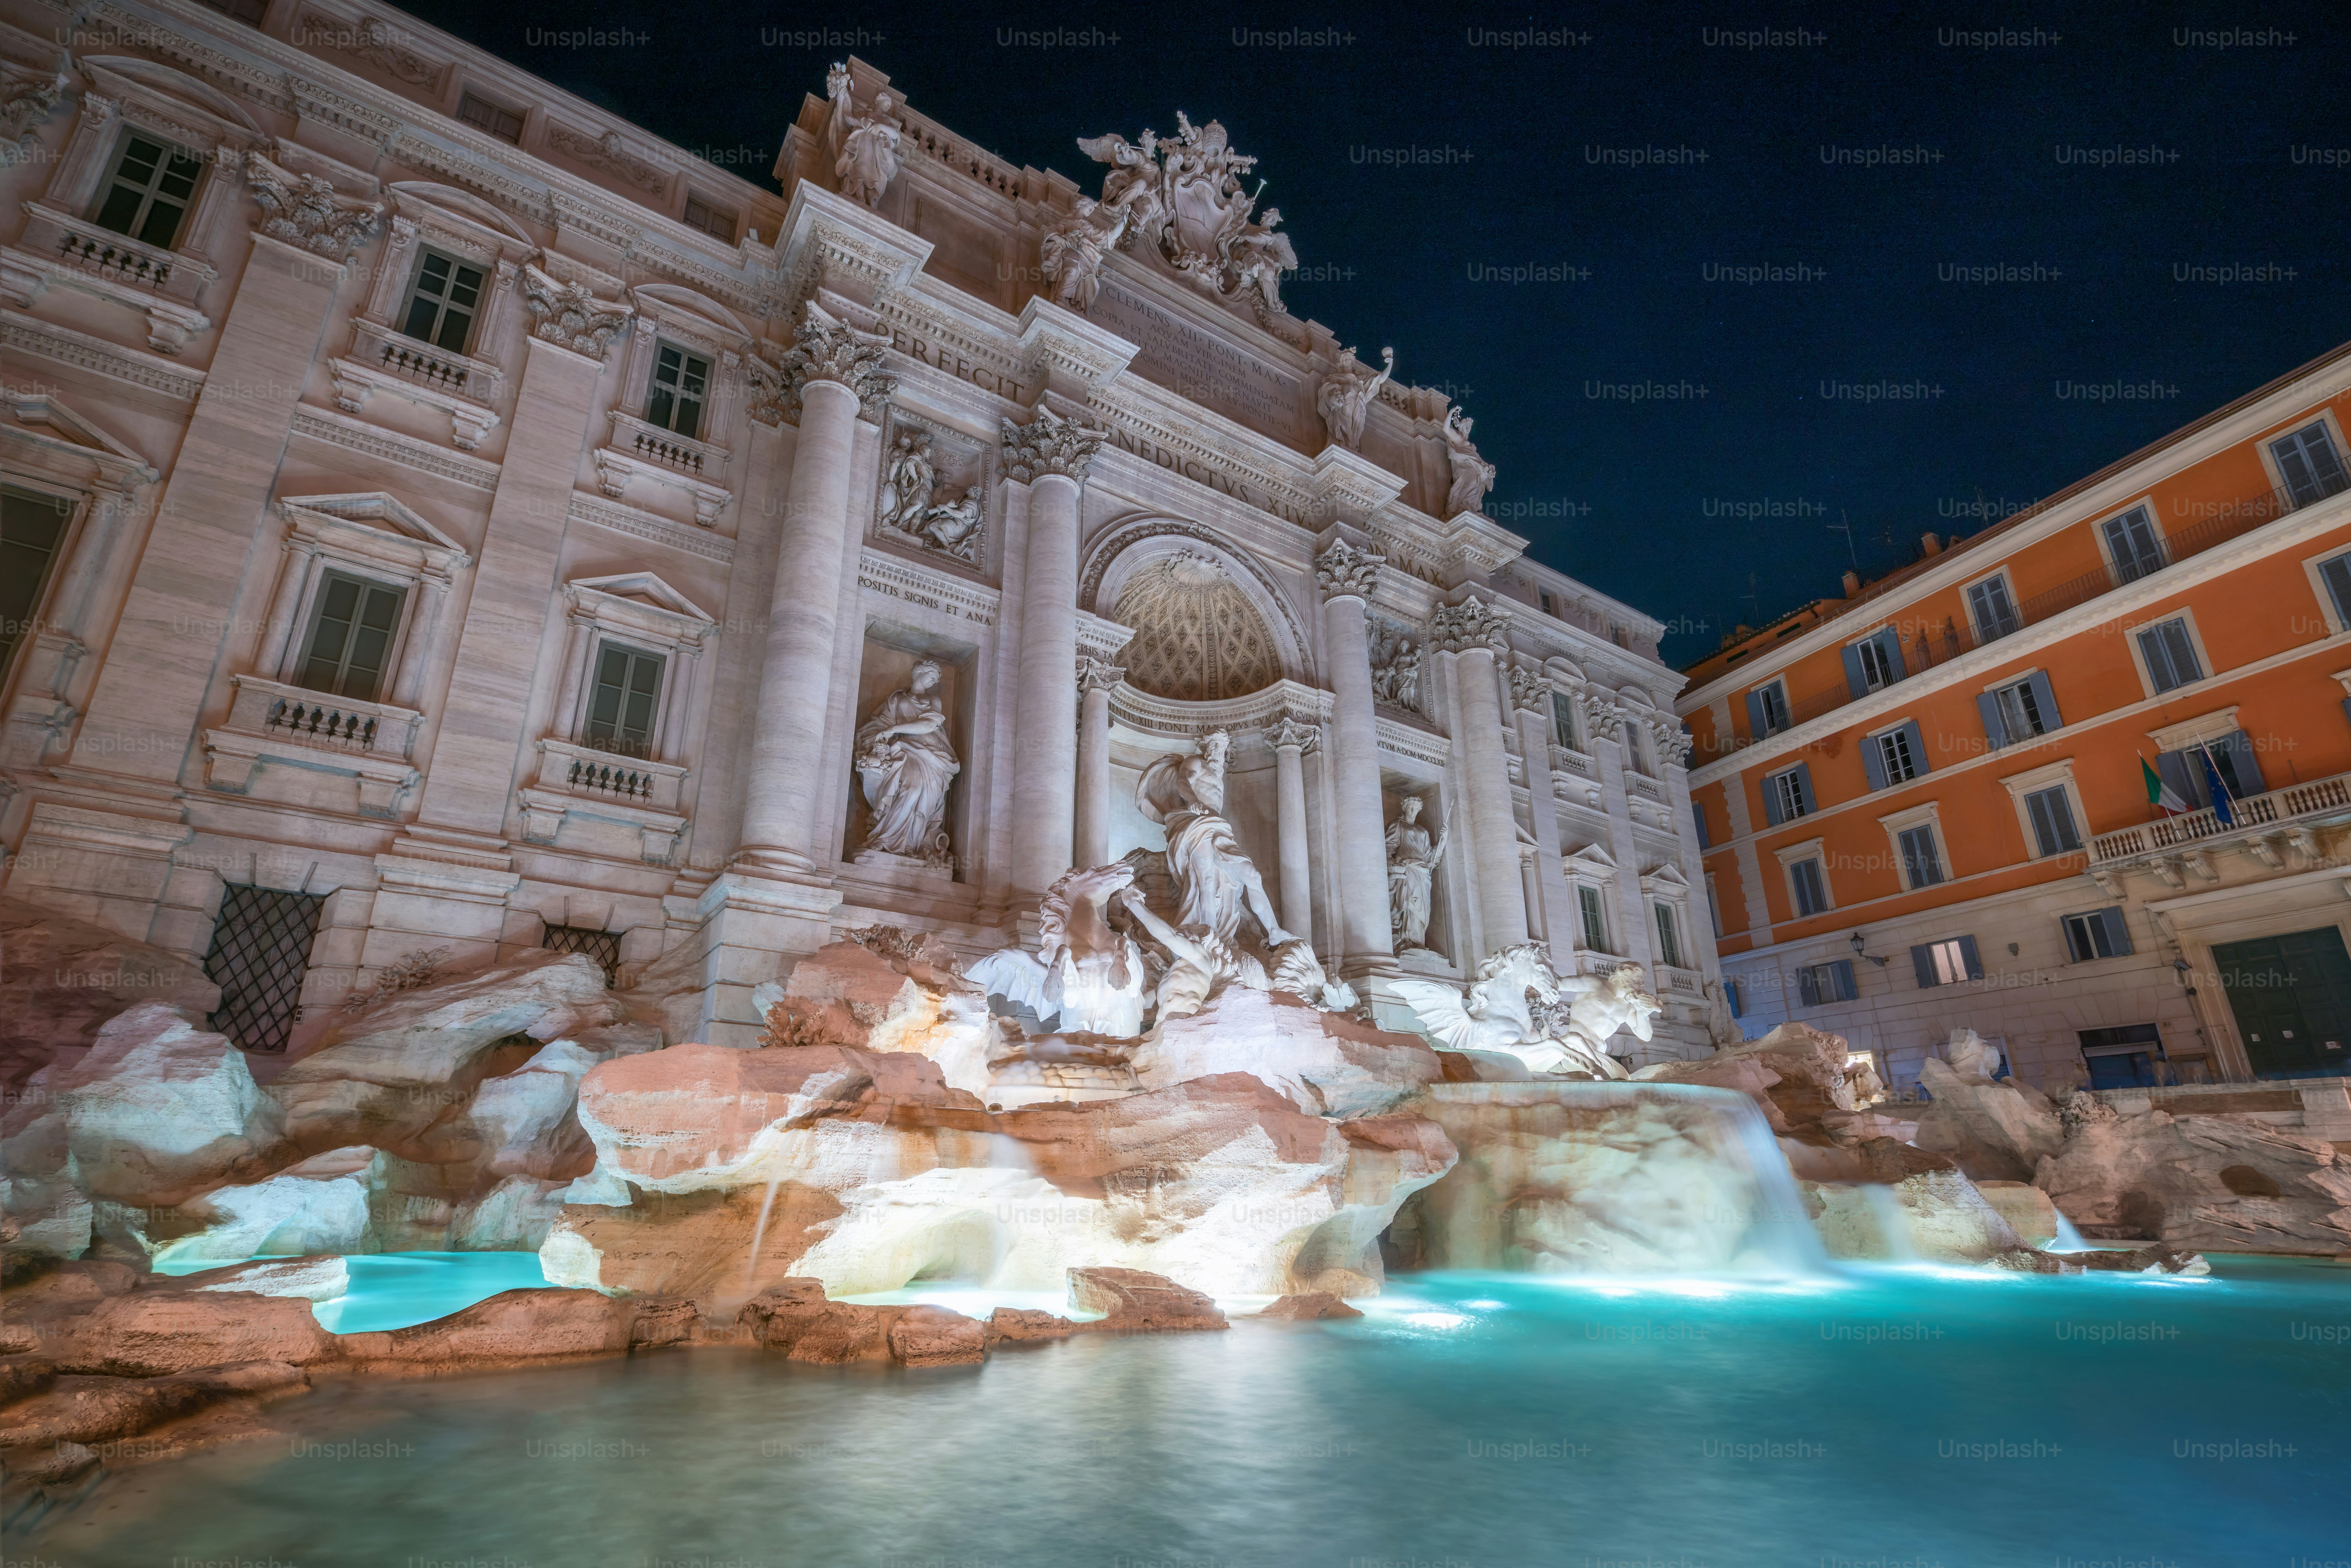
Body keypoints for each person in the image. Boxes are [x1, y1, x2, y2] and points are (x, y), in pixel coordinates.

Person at [852, 660, 959, 862]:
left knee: (924, 797)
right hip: (905, 750)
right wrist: (879, 737)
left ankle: (912, 846)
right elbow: (879, 724)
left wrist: (894, 730)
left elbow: (930, 724)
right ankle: (887, 841)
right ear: (918, 673)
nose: (934, 681)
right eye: (932, 676)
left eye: (937, 679)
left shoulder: (933, 699)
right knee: (911, 788)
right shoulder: (896, 699)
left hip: (931, 752)